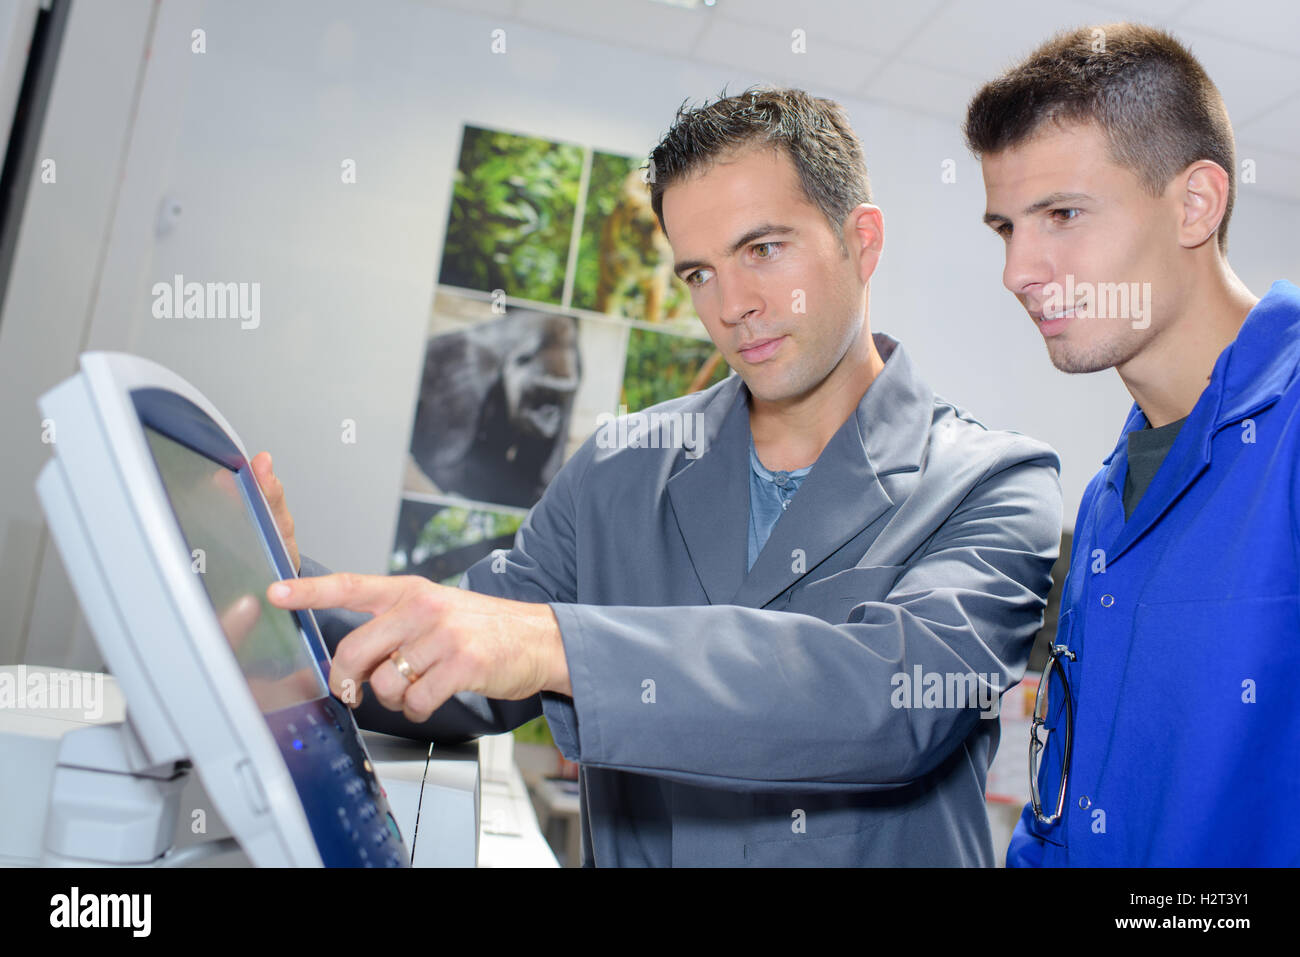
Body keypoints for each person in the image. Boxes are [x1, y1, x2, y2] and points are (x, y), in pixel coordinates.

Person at [259, 88, 1062, 866]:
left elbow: (887, 702)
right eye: (698, 273)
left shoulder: (993, 482)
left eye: (762, 249)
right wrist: (277, 585)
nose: (732, 304)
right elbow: (460, 660)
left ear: (862, 241)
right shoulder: (621, 466)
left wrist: (554, 644)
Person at [964, 22, 1300, 866]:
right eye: (1006, 227)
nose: (1018, 271)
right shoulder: (1107, 501)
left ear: (1195, 205)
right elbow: (1065, 805)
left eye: (1063, 214)